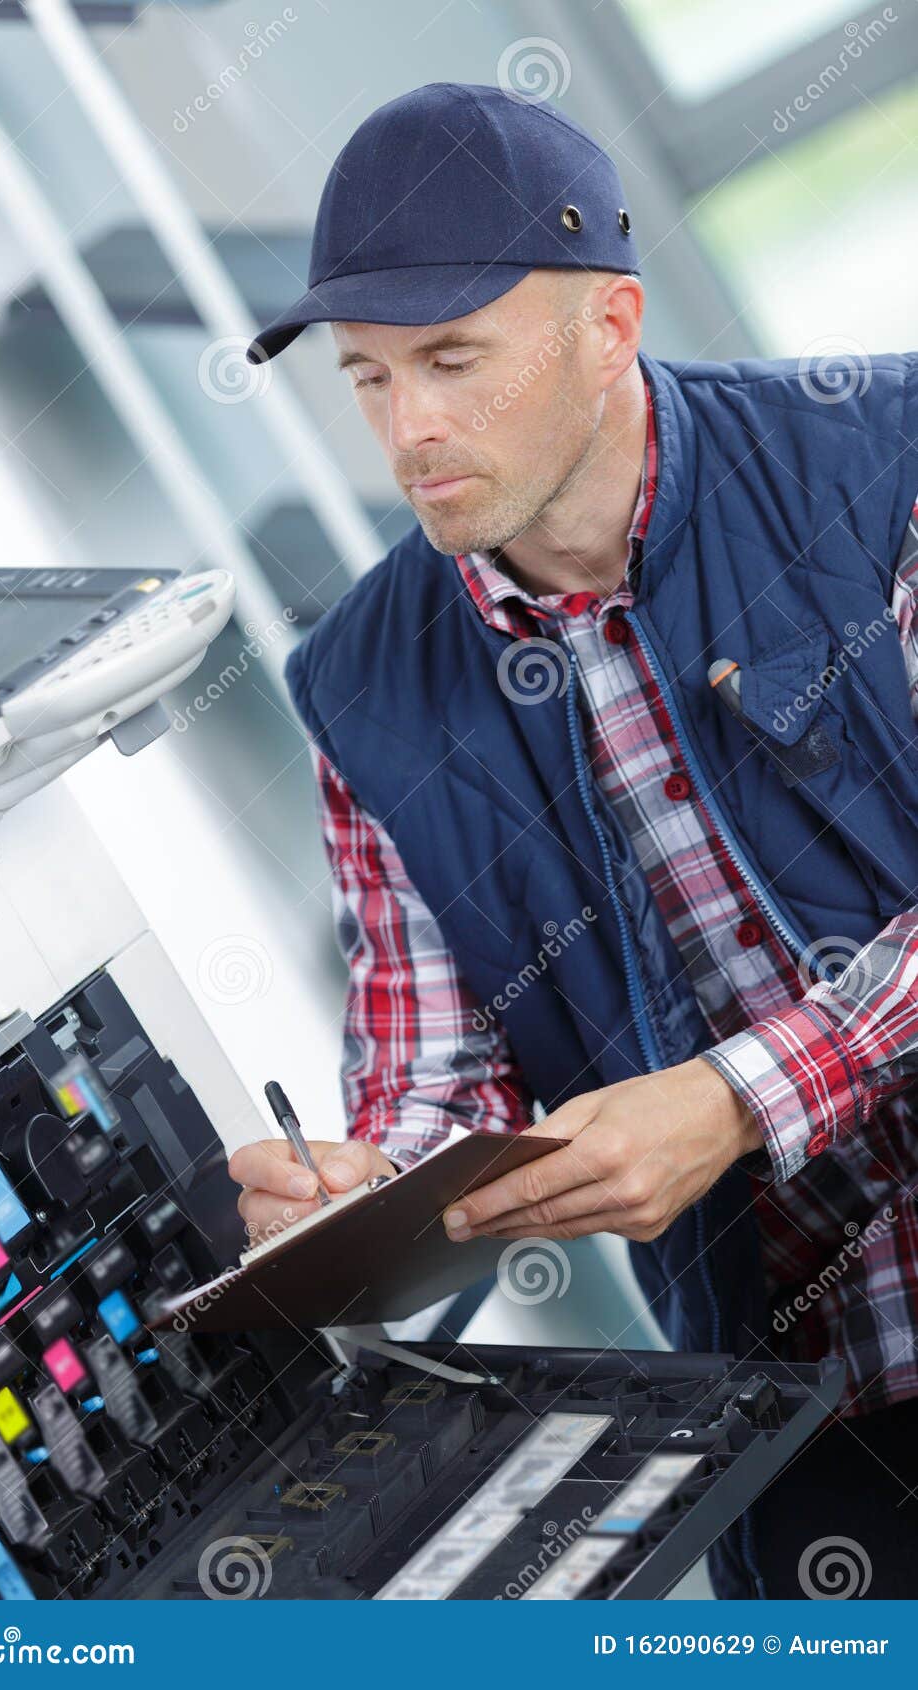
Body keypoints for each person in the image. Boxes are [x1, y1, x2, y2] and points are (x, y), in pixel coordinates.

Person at [227, 82, 918, 1598]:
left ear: (610, 326)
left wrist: (738, 1099)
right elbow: (436, 1073)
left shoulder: (885, 464)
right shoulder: (364, 690)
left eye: (454, 361)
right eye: (367, 379)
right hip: (826, 1437)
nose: (410, 430)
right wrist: (362, 1191)